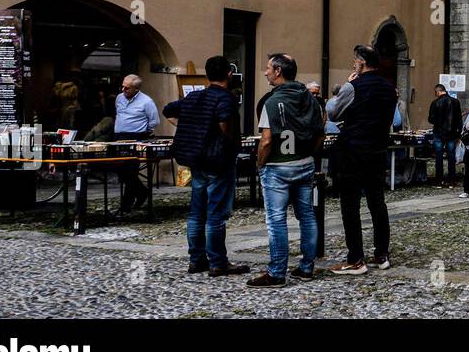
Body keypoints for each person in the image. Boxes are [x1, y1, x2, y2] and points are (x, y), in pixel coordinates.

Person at [163, 56, 248, 276]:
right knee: (215, 214)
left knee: (196, 212)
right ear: (229, 74)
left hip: (197, 160)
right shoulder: (225, 99)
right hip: (218, 160)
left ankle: (196, 259)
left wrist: (191, 125)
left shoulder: (194, 97)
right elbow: (225, 126)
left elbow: (168, 110)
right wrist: (228, 140)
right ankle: (218, 261)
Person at [248, 53, 324, 287]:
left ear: (279, 71)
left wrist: (260, 163)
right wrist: (311, 154)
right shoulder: (308, 97)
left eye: (269, 68)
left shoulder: (271, 102)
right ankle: (306, 267)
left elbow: (267, 140)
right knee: (307, 217)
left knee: (276, 219)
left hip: (278, 166)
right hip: (304, 163)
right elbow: (320, 131)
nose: (265, 72)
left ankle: (277, 272)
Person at [327, 45, 398, 275]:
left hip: (352, 150)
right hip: (377, 149)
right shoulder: (389, 88)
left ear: (361, 63)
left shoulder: (353, 86)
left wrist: (340, 91)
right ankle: (381, 253)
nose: (353, 63)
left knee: (350, 205)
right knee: (377, 202)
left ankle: (356, 258)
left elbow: (333, 113)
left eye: (355, 60)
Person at [114, 74, 160, 214]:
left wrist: (144, 132)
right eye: (122, 86)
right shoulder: (119, 98)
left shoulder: (146, 102)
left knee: (130, 170)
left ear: (136, 89)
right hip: (119, 137)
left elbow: (154, 121)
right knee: (120, 169)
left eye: (127, 88)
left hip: (136, 138)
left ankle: (126, 203)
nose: (123, 89)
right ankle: (141, 192)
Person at [428, 83, 462, 187]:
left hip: (438, 132)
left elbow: (431, 119)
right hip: (451, 133)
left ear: (438, 92)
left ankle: (439, 181)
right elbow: (459, 119)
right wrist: (458, 133)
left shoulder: (435, 103)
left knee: (439, 157)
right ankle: (451, 181)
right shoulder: (456, 102)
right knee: (451, 156)